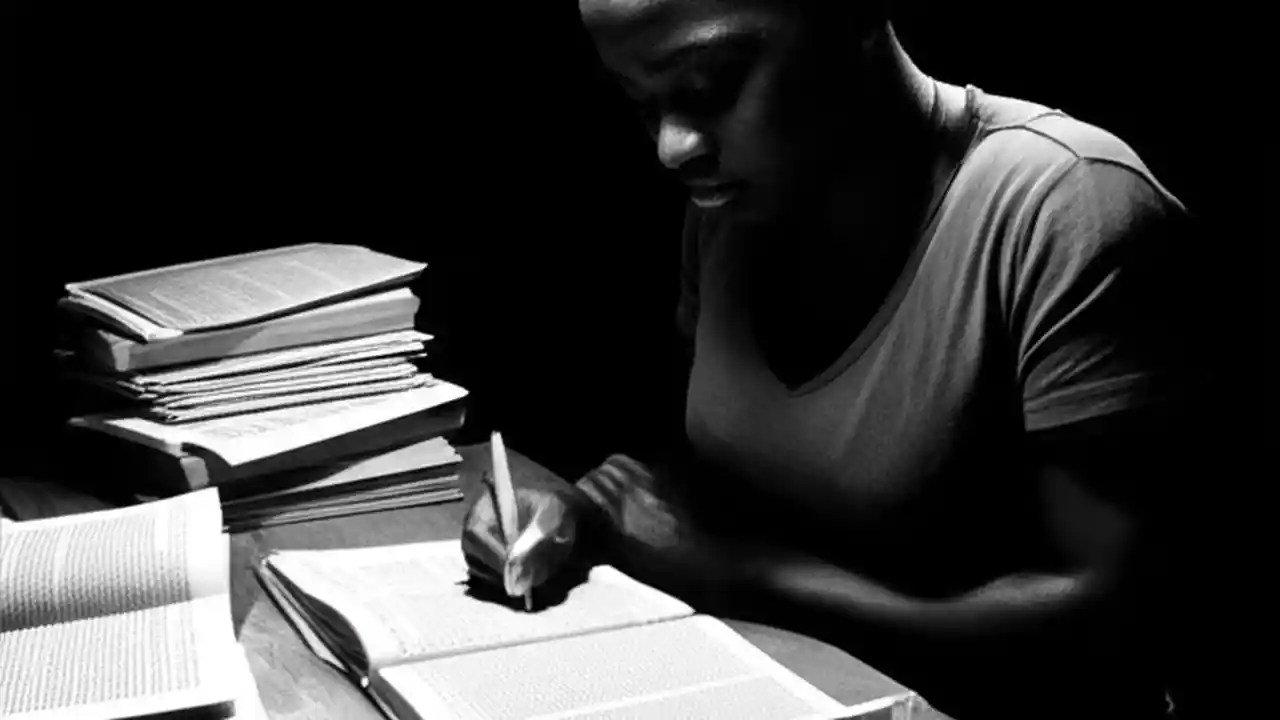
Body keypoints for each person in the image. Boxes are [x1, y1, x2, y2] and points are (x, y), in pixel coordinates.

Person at [464, 1, 1204, 718]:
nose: (672, 147)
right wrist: (583, 514)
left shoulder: (1067, 206)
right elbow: (729, 470)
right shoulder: (728, 207)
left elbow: (1111, 614)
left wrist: (750, 580)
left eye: (709, 84)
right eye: (639, 101)